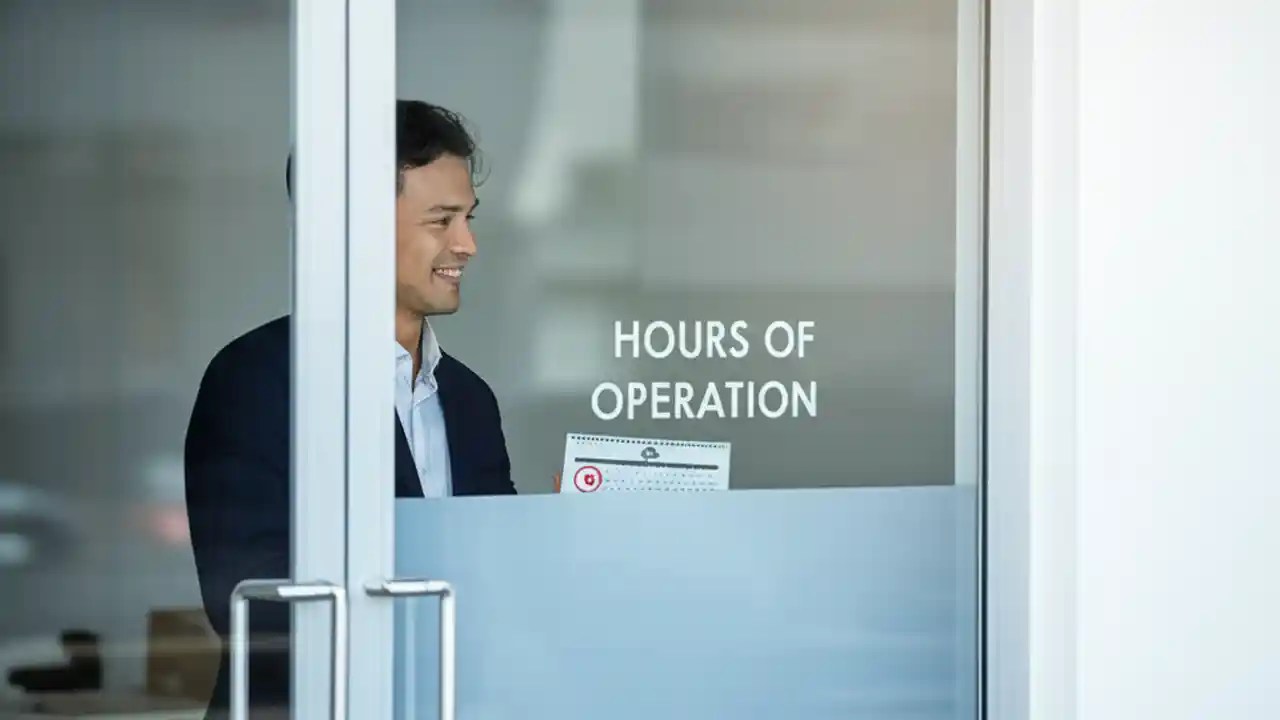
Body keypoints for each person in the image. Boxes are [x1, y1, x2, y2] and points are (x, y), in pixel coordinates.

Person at [183, 100, 514, 716]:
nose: (467, 244)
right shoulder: (258, 381)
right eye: (441, 220)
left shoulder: (469, 400)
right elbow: (253, 606)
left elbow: (496, 588)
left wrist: (557, 539)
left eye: (468, 218)